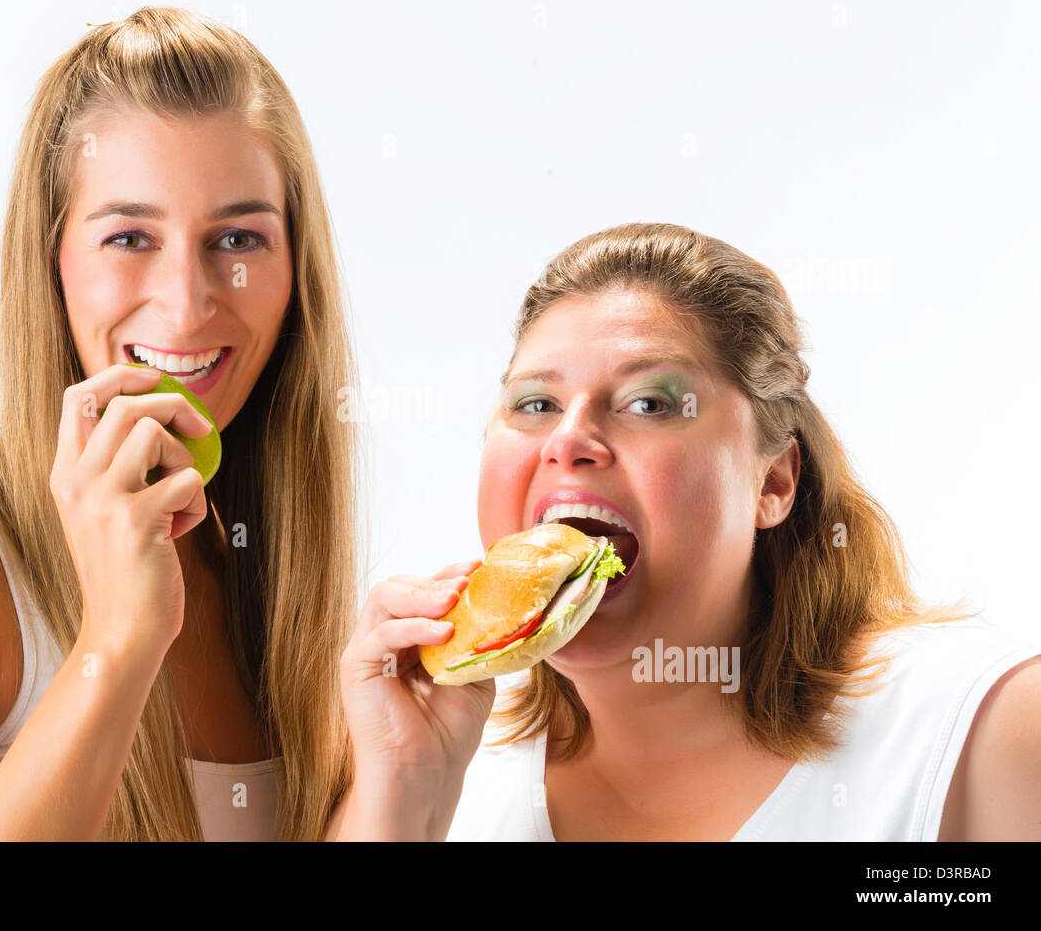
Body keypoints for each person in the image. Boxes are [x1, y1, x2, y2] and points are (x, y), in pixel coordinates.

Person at [0, 7, 358, 841]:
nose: (186, 300)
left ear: (296, 273)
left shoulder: (273, 562)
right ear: (51, 258)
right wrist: (117, 642)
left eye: (238, 237)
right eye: (130, 235)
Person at [333, 222, 1041, 841]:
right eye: (537, 402)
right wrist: (398, 806)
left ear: (774, 483)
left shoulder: (982, 735)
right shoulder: (439, 761)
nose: (570, 438)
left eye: (651, 402)